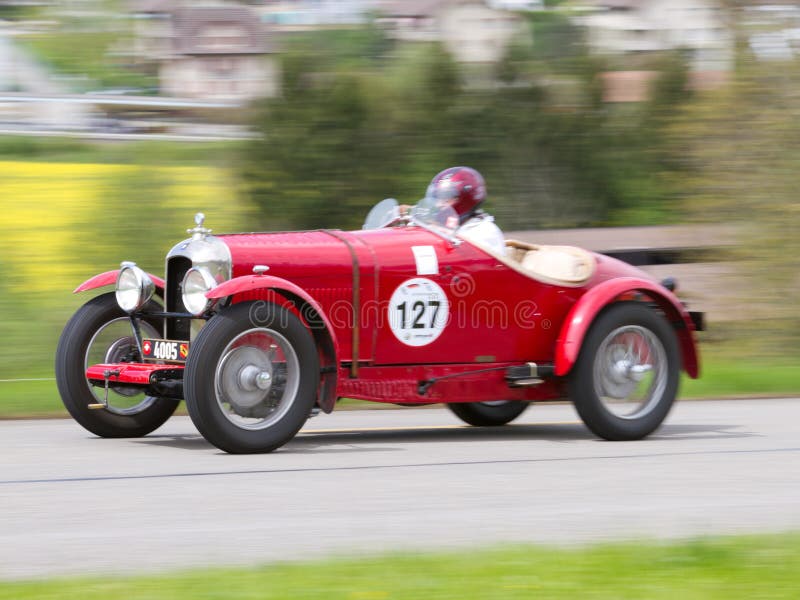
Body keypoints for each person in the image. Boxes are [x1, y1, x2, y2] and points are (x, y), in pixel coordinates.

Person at [422, 166, 506, 255]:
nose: (438, 204)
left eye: (446, 198)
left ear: (466, 198)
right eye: (438, 198)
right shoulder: (453, 227)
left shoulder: (486, 231)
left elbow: (467, 261)